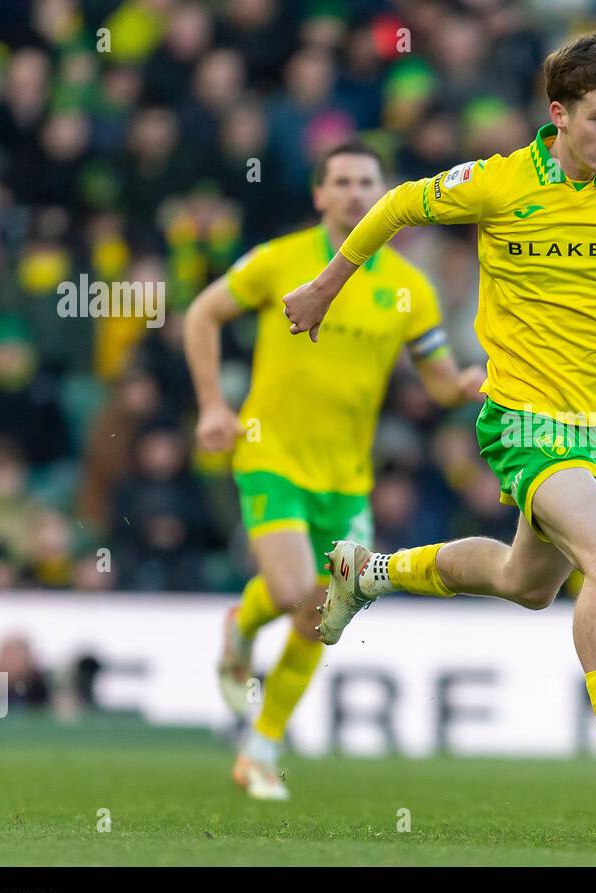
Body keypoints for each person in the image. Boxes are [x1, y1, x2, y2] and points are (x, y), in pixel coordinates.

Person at [282, 32, 596, 815]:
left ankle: (368, 573)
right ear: (559, 114)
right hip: (523, 417)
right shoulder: (500, 182)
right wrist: (326, 284)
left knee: (526, 584)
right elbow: (396, 204)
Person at [184, 142, 484, 799]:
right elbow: (202, 313)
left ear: (385, 198)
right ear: (319, 195)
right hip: (269, 453)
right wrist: (212, 404)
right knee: (299, 592)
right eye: (342, 182)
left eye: (367, 183)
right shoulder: (281, 260)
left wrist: (461, 385)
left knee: (322, 611)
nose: (355, 193)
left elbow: (434, 381)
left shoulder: (411, 289)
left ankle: (259, 745)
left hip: (348, 475)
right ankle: (247, 639)